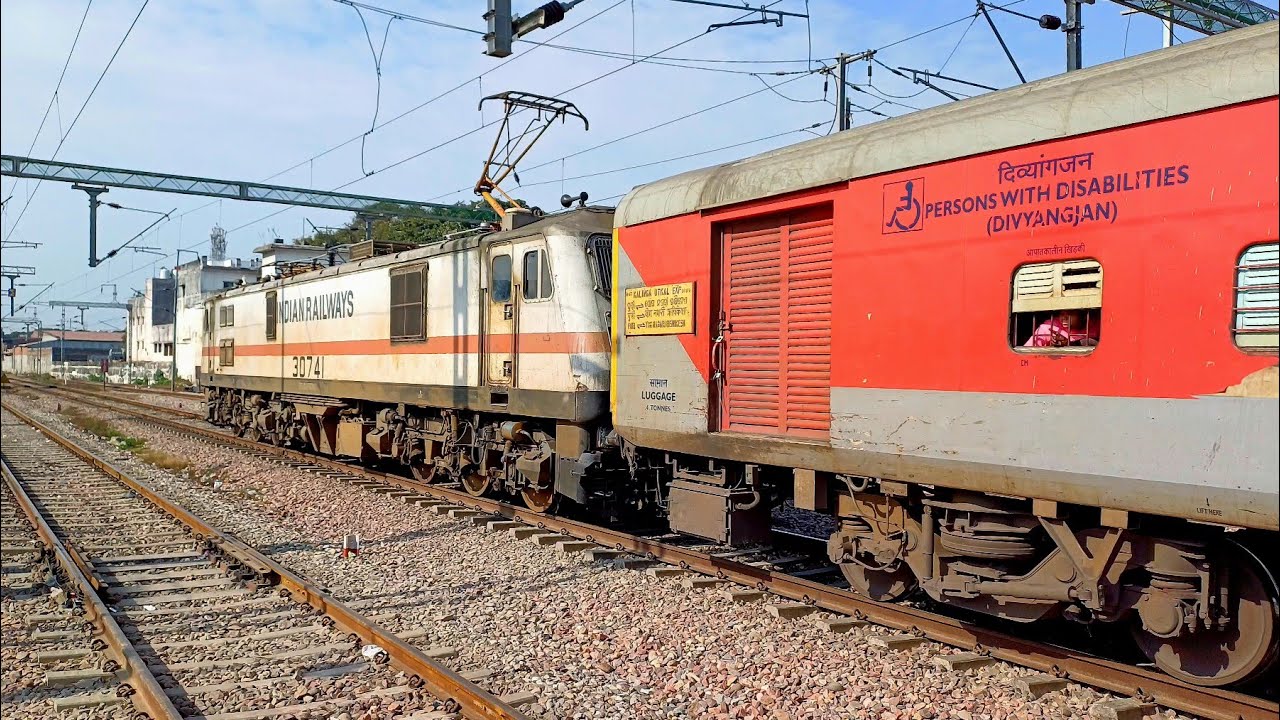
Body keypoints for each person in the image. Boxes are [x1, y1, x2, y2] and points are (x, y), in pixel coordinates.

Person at [1024, 309, 1099, 348]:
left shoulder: (1095, 326)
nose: (1064, 318)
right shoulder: (1050, 327)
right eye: (1062, 314)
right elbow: (1028, 350)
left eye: (1070, 313)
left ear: (1084, 316)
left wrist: (1068, 344)